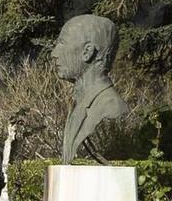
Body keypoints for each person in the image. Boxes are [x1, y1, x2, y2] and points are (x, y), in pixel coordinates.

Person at [53, 14, 130, 162]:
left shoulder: (111, 107)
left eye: (62, 43)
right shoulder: (79, 104)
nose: (54, 53)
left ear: (87, 52)